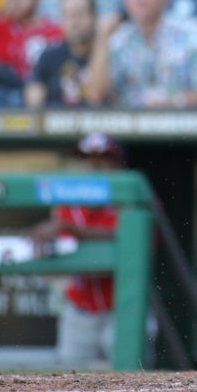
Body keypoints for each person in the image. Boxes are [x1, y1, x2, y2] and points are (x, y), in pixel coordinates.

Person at [28, 133, 124, 367]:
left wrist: (75, 230)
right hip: (80, 308)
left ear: (117, 164)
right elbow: (54, 261)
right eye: (87, 158)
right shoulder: (66, 204)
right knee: (70, 378)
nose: (93, 165)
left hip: (123, 308)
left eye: (102, 158)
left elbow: (132, 239)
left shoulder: (131, 197)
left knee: (132, 377)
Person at [24, 0, 98, 108]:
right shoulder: (48, 56)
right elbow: (33, 102)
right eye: (68, 16)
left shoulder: (107, 55)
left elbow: (100, 98)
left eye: (79, 14)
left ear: (94, 17)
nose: (74, 22)